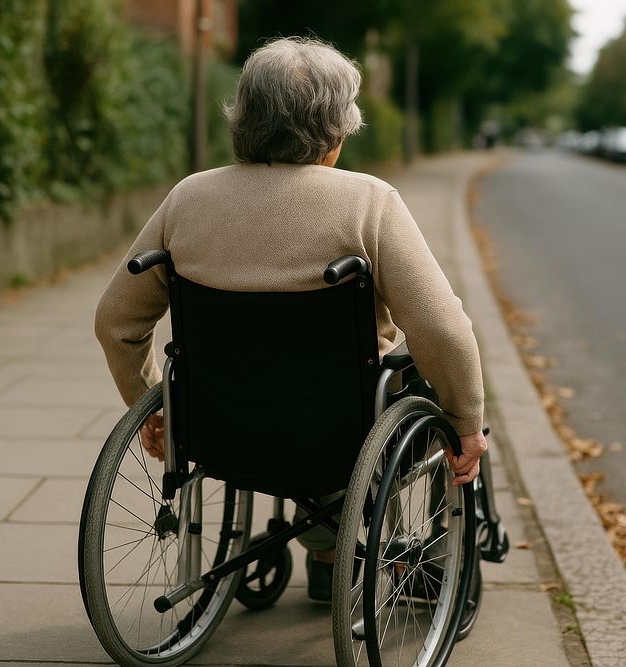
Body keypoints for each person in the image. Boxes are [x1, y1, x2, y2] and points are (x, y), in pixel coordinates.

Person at [94, 37, 486, 602]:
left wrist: (154, 405)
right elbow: (444, 332)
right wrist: (467, 421)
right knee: (418, 389)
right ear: (335, 131)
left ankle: (328, 545)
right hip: (340, 429)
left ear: (244, 118)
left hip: (217, 424)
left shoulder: (188, 199)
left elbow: (116, 321)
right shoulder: (368, 202)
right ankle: (350, 552)